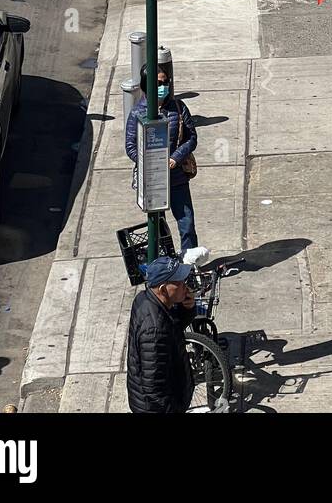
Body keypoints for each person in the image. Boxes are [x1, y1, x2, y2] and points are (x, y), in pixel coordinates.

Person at [126, 66, 199, 252]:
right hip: (153, 180)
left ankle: (190, 263)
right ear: (146, 86)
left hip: (177, 177)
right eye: (159, 83)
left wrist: (176, 158)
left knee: (187, 223)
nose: (164, 86)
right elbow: (130, 146)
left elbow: (191, 138)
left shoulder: (178, 107)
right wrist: (149, 163)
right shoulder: (137, 113)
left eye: (166, 82)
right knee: (158, 227)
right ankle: (166, 264)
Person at [126, 255, 195, 414]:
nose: (185, 286)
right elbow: (154, 389)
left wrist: (187, 308)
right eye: (179, 283)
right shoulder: (155, 330)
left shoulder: (144, 299)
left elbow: (173, 329)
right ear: (164, 289)